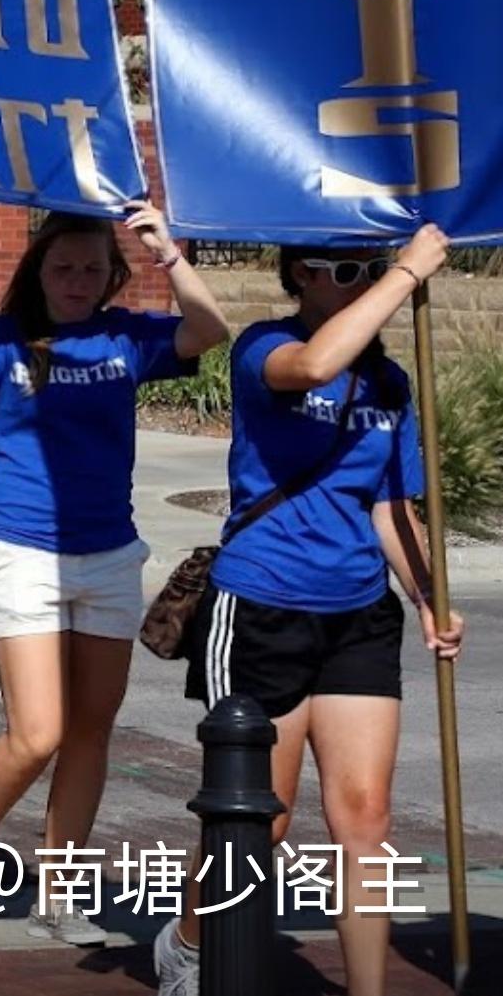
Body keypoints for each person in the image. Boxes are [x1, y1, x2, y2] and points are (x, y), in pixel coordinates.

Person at [155, 229, 467, 996]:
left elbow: (389, 508)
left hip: (357, 611)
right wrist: (402, 273)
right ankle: (191, 941)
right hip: (261, 602)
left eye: (371, 268)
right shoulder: (264, 347)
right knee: (261, 816)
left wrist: (429, 598)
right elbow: (316, 363)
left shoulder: (392, 384)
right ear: (301, 274)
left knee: (364, 817)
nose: (364, 283)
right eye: (348, 270)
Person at [0, 205, 229, 942]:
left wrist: (168, 252)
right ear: (38, 268)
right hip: (21, 548)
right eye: (62, 266)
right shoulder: (4, 337)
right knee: (36, 731)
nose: (76, 280)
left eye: (91, 267)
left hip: (106, 550)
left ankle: (59, 889)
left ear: (111, 274)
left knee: (90, 729)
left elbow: (208, 331)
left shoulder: (128, 334)